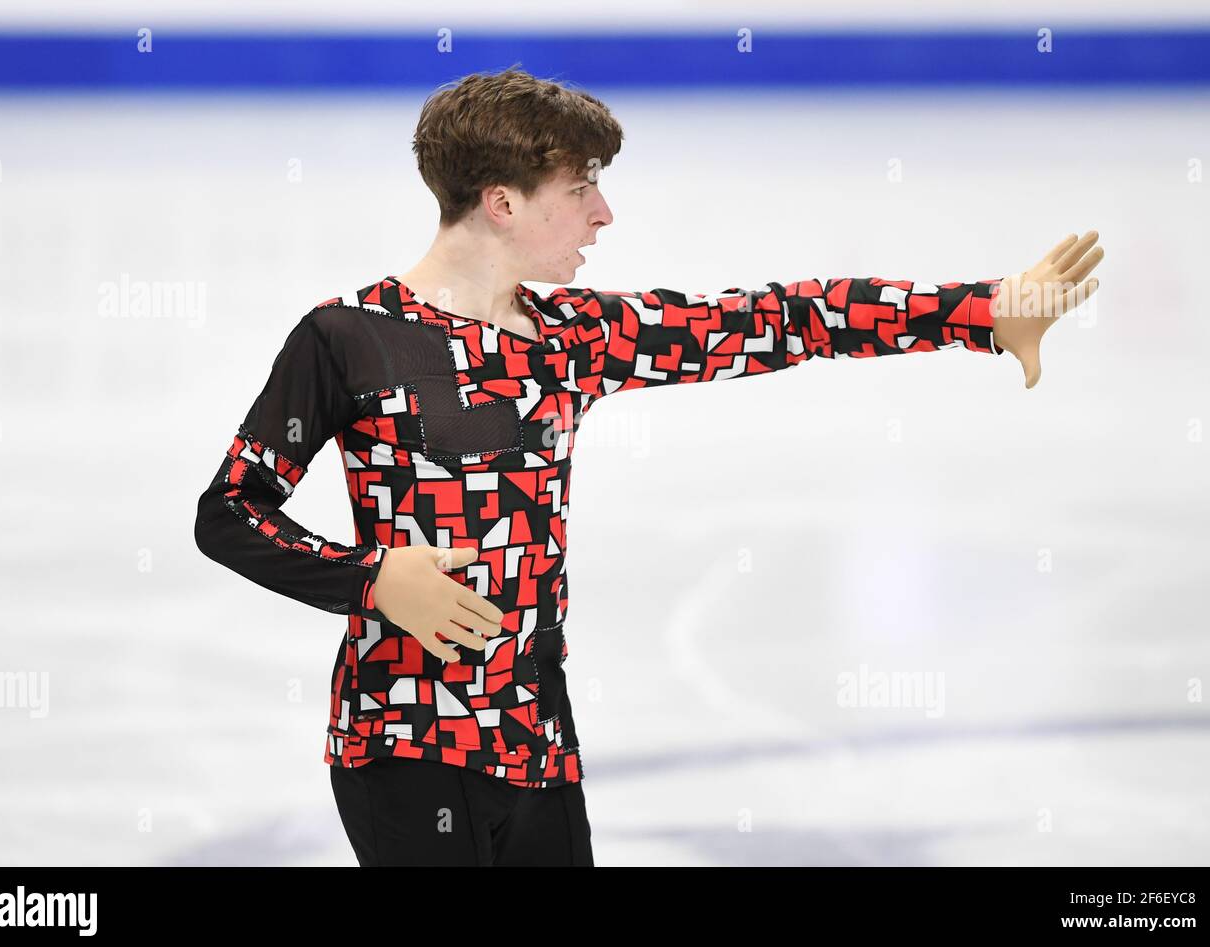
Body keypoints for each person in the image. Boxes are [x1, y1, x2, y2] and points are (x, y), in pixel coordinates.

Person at [193, 65, 1104, 867]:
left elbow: (783, 317)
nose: (603, 212)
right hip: (405, 742)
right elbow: (230, 511)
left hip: (537, 741)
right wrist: (373, 577)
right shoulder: (351, 340)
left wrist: (978, 312)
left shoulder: (573, 338)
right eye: (580, 186)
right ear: (503, 202)